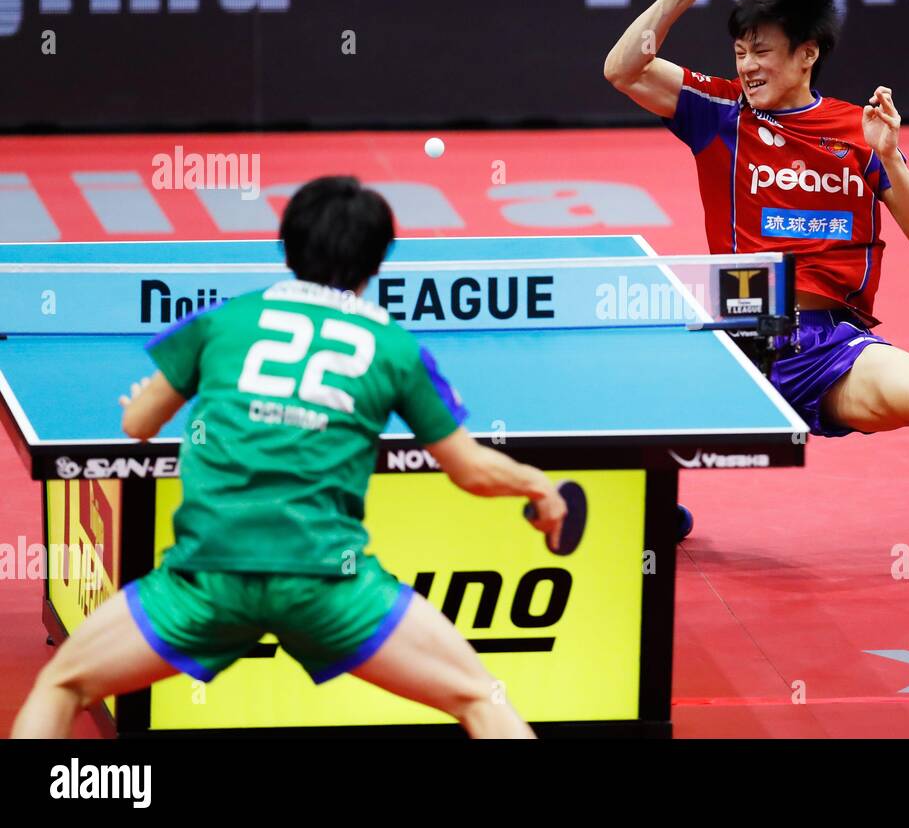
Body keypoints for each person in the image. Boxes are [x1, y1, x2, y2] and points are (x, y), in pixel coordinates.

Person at [12, 176, 568, 738]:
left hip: (207, 579)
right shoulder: (396, 349)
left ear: (286, 247)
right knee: (480, 697)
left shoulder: (224, 321)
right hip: (328, 583)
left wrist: (145, 404)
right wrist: (538, 487)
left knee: (61, 684)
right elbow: (471, 470)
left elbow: (135, 426)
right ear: (376, 261)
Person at [602, 0, 909, 577]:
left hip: (826, 349)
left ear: (807, 53)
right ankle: (653, 504)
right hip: (734, 339)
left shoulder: (856, 130)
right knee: (614, 392)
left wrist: (889, 157)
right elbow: (623, 69)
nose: (748, 65)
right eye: (740, 51)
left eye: (763, 51)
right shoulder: (721, 113)